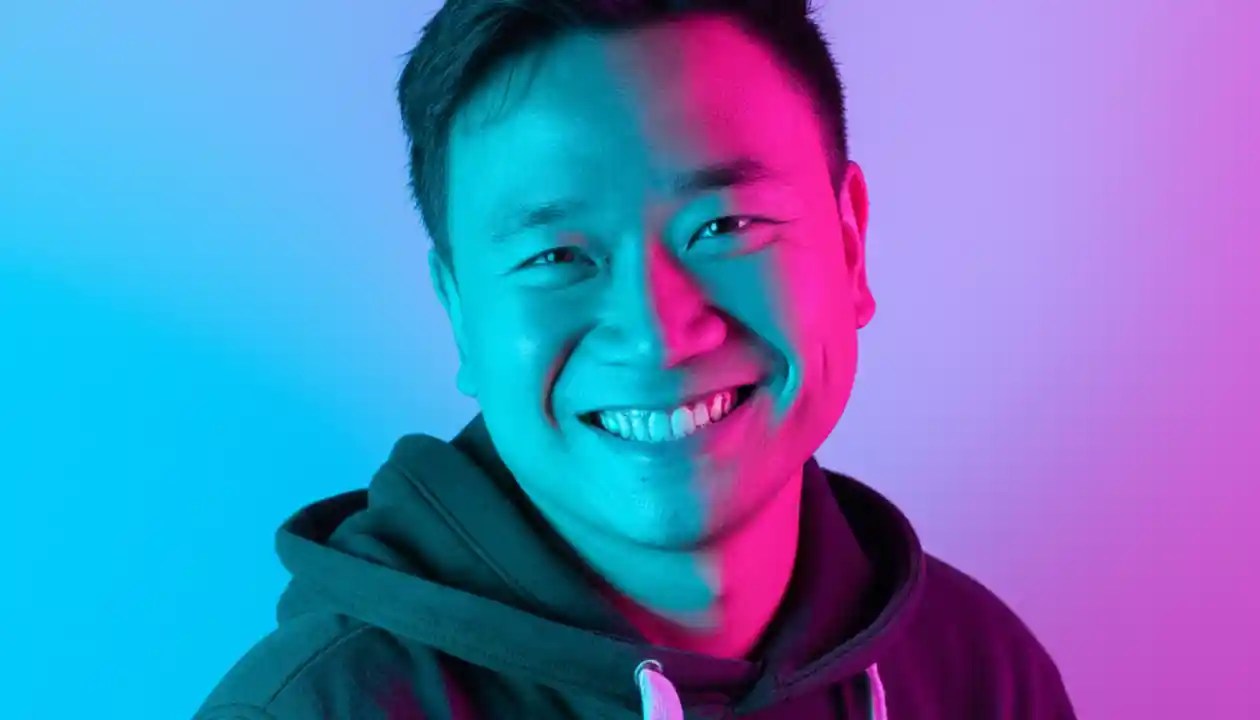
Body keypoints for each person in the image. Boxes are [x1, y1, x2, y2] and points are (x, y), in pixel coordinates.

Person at [194, 1, 1078, 718]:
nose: (657, 330)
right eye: (555, 257)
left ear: (849, 246)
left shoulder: (977, 673)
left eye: (723, 228)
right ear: (460, 309)